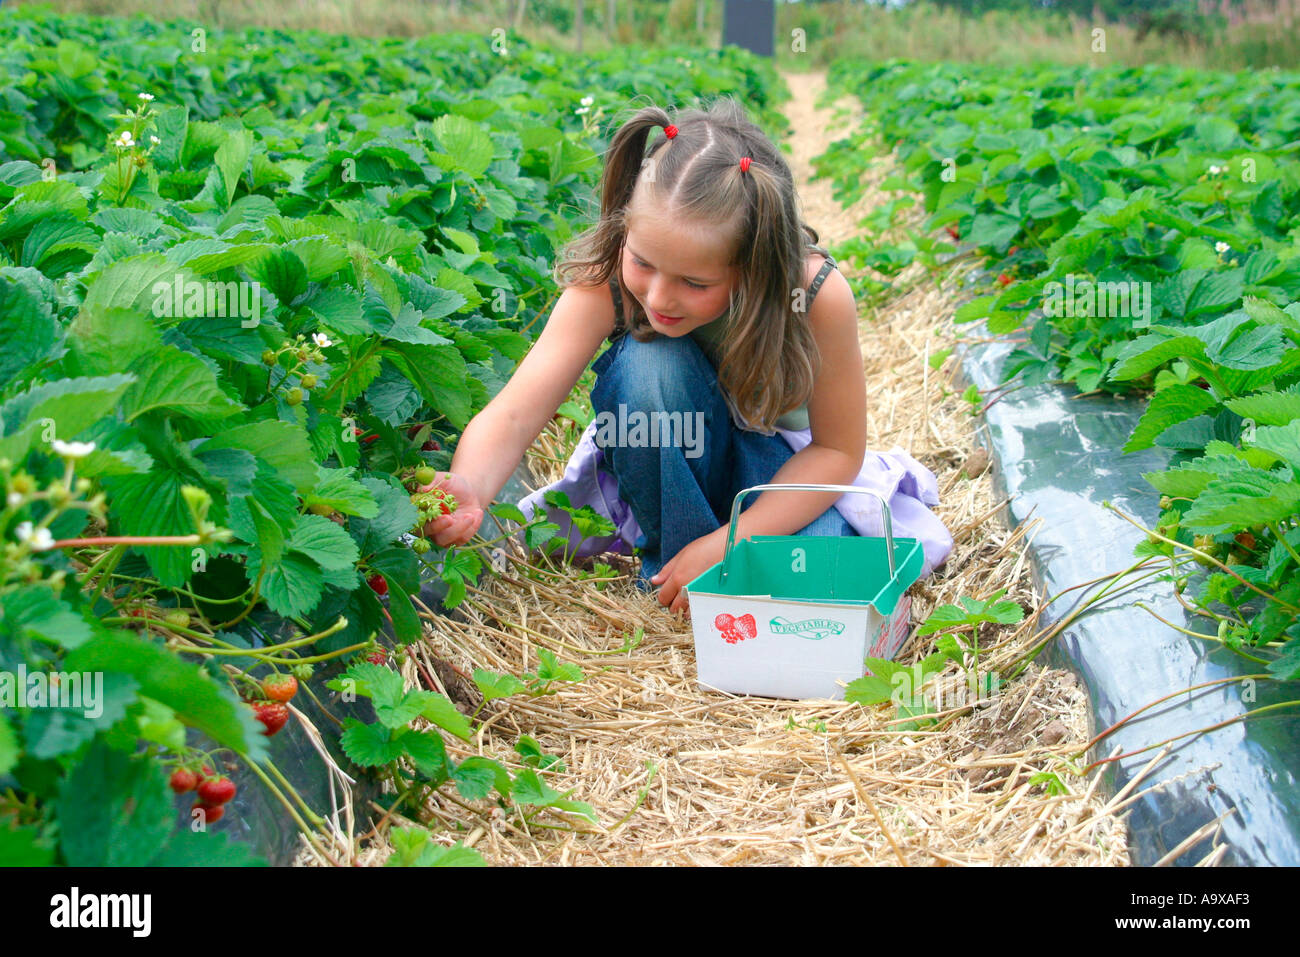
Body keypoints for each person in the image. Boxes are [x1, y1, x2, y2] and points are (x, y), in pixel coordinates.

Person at [419, 98, 954, 616]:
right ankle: (672, 569)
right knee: (650, 366)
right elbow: (515, 413)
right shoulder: (606, 284)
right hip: (664, 467)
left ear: (753, 267)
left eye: (695, 283)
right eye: (644, 263)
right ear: (625, 230)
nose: (657, 299)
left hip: (781, 480)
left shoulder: (812, 296)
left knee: (819, 569)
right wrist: (470, 483)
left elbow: (837, 452)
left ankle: (708, 569)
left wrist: (731, 542)